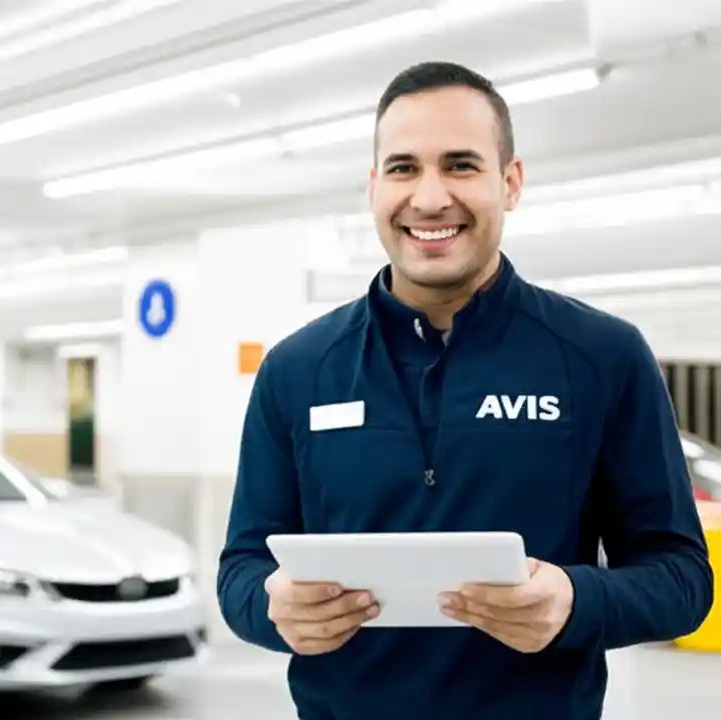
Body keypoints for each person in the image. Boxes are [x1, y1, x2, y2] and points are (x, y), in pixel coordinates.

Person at [216, 60, 714, 719]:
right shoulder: (298, 369)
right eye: (402, 168)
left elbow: (681, 577)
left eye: (460, 164)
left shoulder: (602, 356)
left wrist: (574, 600)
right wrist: (271, 607)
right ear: (372, 187)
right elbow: (241, 571)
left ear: (510, 182)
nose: (428, 198)